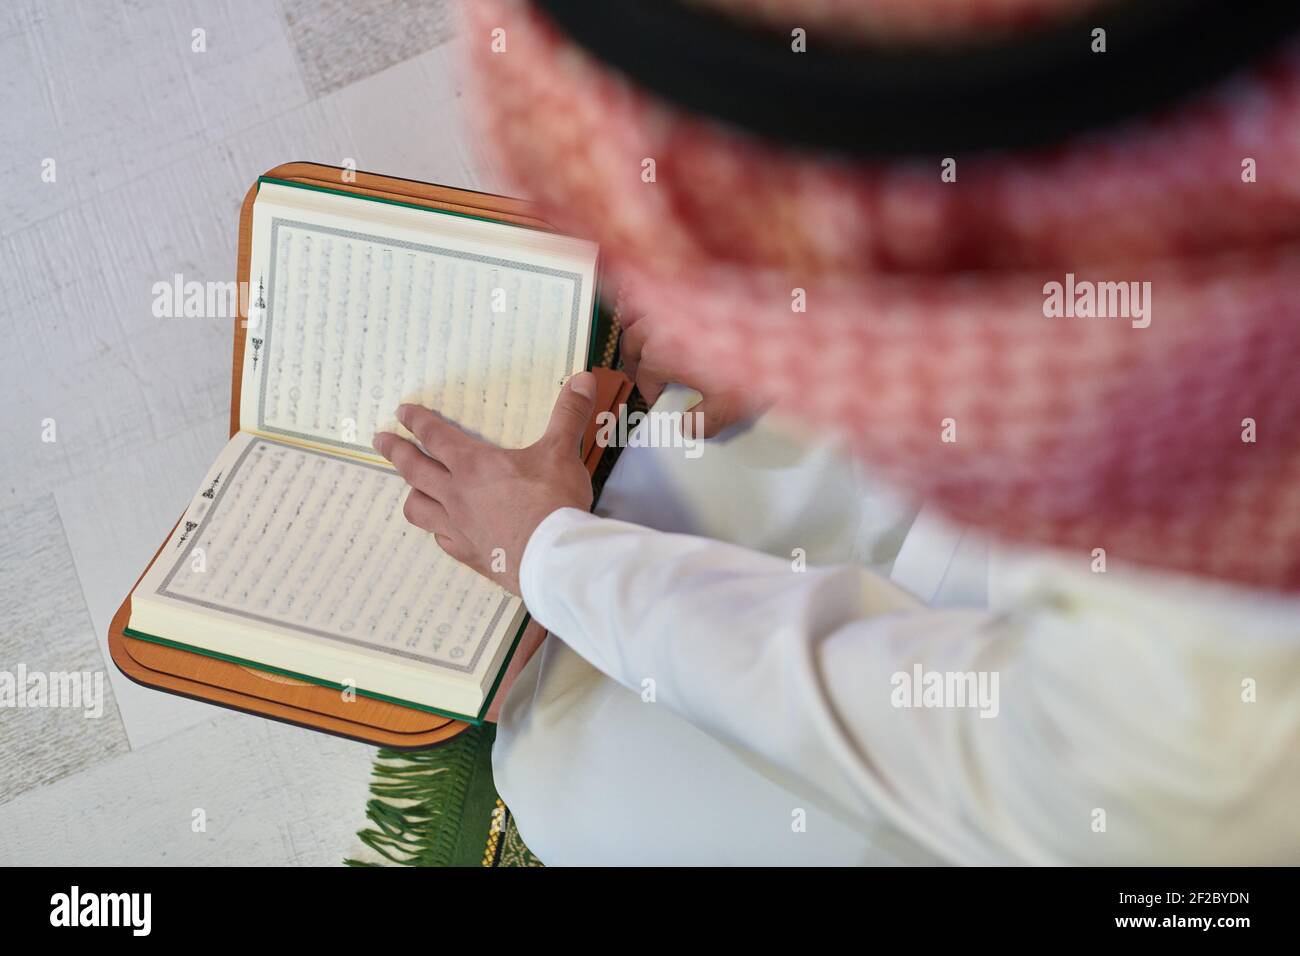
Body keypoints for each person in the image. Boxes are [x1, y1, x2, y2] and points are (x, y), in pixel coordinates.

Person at [374, 0, 1300, 863]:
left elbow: (887, 717)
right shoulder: (1175, 277)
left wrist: (552, 559)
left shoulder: (1214, 742)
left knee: (562, 775)